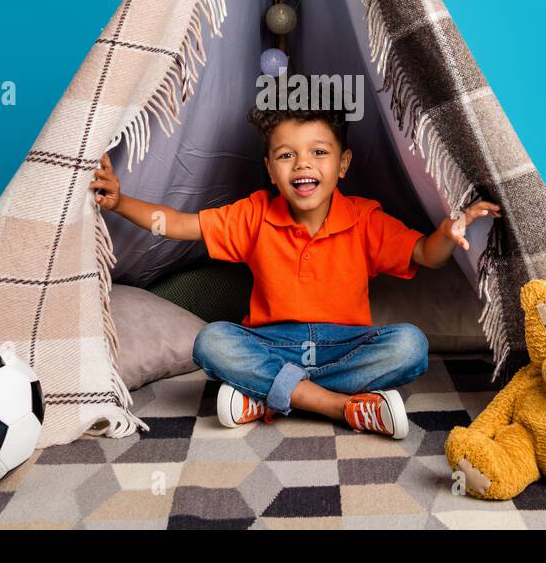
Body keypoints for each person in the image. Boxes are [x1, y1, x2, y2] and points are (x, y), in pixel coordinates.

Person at [90, 103, 500, 439]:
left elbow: (426, 254)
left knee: (410, 345)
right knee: (211, 341)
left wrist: (449, 232)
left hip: (344, 346)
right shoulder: (254, 214)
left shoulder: (364, 218)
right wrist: (120, 202)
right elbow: (180, 224)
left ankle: (270, 394)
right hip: (271, 344)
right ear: (271, 170)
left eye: (319, 152)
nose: (303, 164)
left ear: (343, 164)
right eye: (287, 155)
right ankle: (337, 405)